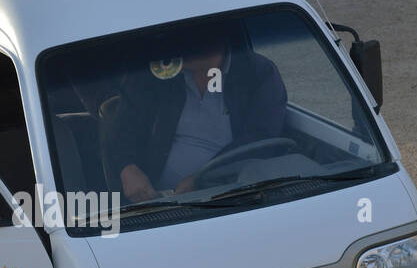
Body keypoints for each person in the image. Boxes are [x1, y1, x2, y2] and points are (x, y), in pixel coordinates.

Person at [101, 22, 288, 203]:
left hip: (231, 197)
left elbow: (261, 140)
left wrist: (201, 179)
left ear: (218, 36)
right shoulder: (156, 74)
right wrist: (127, 168)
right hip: (155, 202)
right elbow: (122, 129)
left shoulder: (259, 74)